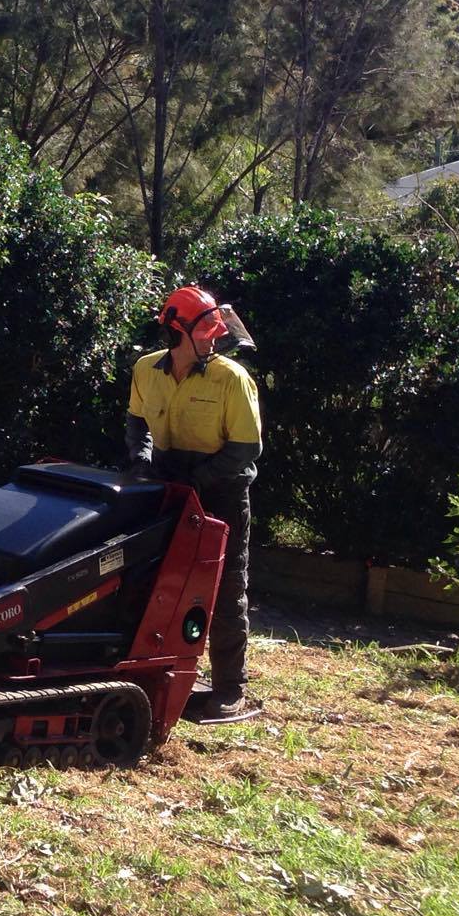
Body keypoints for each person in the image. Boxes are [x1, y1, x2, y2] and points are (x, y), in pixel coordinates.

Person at [125, 285, 263, 722]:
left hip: (221, 490)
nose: (213, 335)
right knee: (155, 578)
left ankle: (229, 688)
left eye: (214, 327)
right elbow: (136, 424)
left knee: (224, 588)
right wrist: (143, 461)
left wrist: (196, 483)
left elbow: (244, 449)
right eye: (204, 328)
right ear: (176, 331)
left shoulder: (232, 378)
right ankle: (155, 668)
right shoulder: (147, 370)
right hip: (169, 483)